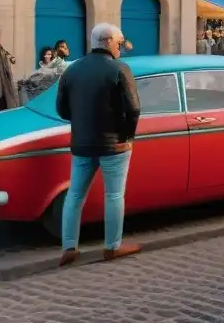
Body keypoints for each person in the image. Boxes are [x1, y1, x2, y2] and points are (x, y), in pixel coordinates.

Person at [56, 23, 142, 266]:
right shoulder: (119, 68)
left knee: (75, 195)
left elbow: (62, 109)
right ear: (109, 42)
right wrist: (126, 137)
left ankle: (69, 247)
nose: (120, 48)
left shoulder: (72, 69)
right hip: (113, 144)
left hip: (81, 143)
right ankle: (112, 247)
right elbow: (134, 108)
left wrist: (82, 123)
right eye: (119, 43)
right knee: (114, 194)